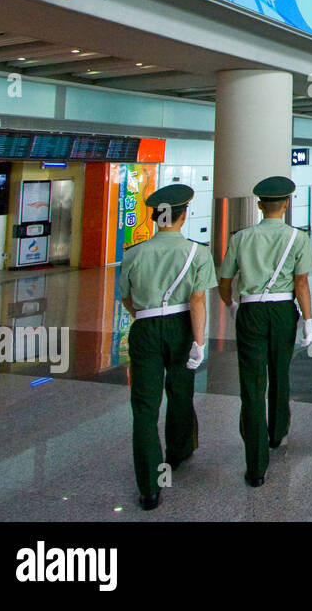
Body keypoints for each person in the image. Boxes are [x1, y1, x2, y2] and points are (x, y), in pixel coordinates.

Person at [119, 184, 215, 511]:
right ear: (183, 215)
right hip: (181, 326)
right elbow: (198, 299)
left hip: (144, 327)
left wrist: (145, 317)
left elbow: (126, 298)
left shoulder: (133, 253)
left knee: (144, 407)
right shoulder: (197, 253)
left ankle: (149, 487)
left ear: (154, 217)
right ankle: (177, 453)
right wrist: (199, 342)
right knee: (179, 390)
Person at [218, 176, 312, 487]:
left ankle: (256, 466)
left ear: (260, 205)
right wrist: (309, 324)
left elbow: (224, 280)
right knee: (280, 372)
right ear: (286, 204)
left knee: (252, 381)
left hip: (251, 311)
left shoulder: (241, 237)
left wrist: (233, 305)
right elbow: (301, 283)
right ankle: (277, 434)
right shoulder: (297, 237)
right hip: (284, 311)